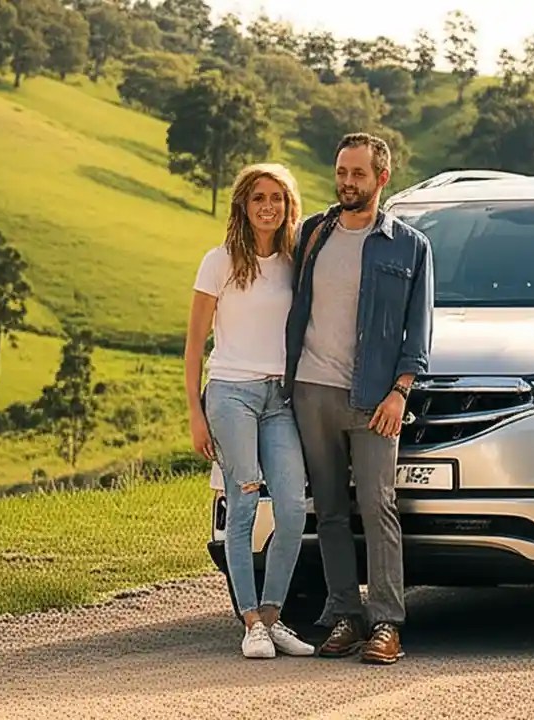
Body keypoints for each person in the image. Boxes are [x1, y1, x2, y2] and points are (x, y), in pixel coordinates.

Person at [283, 133, 434, 665]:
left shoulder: (409, 246)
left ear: (381, 179)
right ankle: (344, 614)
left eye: (358, 174)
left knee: (377, 506)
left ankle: (387, 622)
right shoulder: (312, 235)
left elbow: (418, 332)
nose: (347, 182)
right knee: (327, 509)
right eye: (341, 171)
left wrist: (400, 391)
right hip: (312, 390)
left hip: (374, 398)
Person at [185, 163, 316, 660]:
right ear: (243, 204)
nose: (268, 206)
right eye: (259, 197)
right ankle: (250, 623)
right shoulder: (217, 262)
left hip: (278, 399)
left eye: (277, 198)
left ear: (288, 206)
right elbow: (195, 345)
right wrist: (196, 413)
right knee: (241, 509)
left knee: (289, 509)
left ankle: (274, 616)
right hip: (230, 396)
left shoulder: (291, 262)